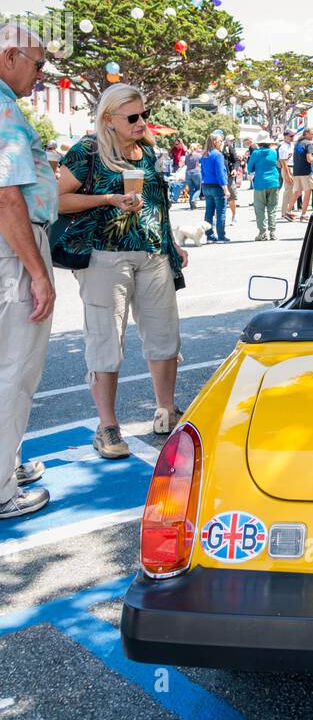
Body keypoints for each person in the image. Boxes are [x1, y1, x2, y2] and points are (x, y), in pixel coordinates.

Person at [57, 83, 188, 451]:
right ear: (108, 119)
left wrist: (172, 243)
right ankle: (108, 426)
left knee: (164, 335)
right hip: (103, 255)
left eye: (144, 114)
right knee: (106, 338)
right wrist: (109, 198)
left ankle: (166, 410)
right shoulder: (88, 151)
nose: (141, 122)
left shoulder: (146, 151)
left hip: (153, 253)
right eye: (132, 117)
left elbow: (156, 204)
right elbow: (58, 199)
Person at [0, 23, 57, 520]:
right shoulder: (4, 111)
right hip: (14, 247)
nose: (41, 76)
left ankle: (7, 466)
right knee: (15, 371)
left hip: (10, 244)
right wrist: (37, 272)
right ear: (12, 56)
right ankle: (2, 488)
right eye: (39, 65)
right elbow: (6, 196)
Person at [247, 135, 282, 240]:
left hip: (260, 183)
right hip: (274, 182)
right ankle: (272, 232)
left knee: (260, 209)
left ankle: (262, 233)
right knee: (272, 208)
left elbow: (249, 168)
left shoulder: (256, 153)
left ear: (258, 143)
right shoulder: (273, 152)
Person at [201, 130, 230, 243]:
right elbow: (220, 173)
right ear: (215, 142)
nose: (222, 143)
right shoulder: (217, 154)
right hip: (217, 186)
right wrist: (226, 189)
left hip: (206, 185)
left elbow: (202, 172)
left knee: (209, 212)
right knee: (220, 212)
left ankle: (209, 236)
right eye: (220, 141)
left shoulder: (204, 154)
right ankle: (221, 237)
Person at [290, 127, 313, 222]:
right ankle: (303, 215)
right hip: (306, 172)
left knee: (297, 192)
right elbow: (309, 159)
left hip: (297, 171)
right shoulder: (309, 144)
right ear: (306, 134)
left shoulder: (298, 143)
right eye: (311, 134)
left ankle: (288, 212)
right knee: (307, 192)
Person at [278, 128, 296, 217]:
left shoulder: (291, 145)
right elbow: (283, 162)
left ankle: (289, 211)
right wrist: (288, 174)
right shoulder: (283, 146)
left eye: (293, 136)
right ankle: (284, 212)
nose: (292, 137)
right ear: (285, 136)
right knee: (288, 191)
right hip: (287, 168)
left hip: (292, 167)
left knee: (291, 191)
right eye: (290, 136)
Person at [184, 142, 203, 208]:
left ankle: (192, 206)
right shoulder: (198, 155)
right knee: (198, 189)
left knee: (191, 189)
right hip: (196, 172)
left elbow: (185, 163)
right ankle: (193, 199)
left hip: (188, 173)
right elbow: (202, 163)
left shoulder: (187, 156)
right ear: (196, 148)